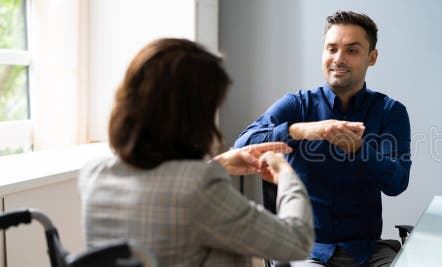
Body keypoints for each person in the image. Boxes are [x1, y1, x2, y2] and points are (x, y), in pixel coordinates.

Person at [78, 38, 314, 267]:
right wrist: (287, 176)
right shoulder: (199, 189)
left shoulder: (94, 175)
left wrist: (219, 163)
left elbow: (163, 188)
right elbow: (297, 241)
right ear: (192, 117)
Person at [234, 10, 411, 267]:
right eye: (331, 49)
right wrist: (302, 131)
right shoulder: (297, 105)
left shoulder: (390, 112)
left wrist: (361, 149)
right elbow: (242, 144)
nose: (338, 59)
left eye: (352, 50)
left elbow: (397, 183)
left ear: (372, 57)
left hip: (366, 251)